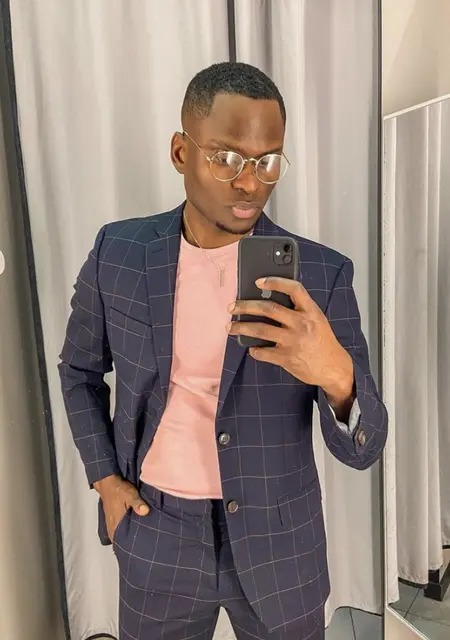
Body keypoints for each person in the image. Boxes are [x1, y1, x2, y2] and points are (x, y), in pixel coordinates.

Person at [59, 62, 388, 640]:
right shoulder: (118, 252)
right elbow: (79, 371)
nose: (249, 184)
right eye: (227, 158)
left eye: (267, 162)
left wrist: (337, 375)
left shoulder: (321, 275)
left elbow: (365, 449)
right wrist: (104, 478)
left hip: (279, 545)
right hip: (156, 530)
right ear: (180, 152)